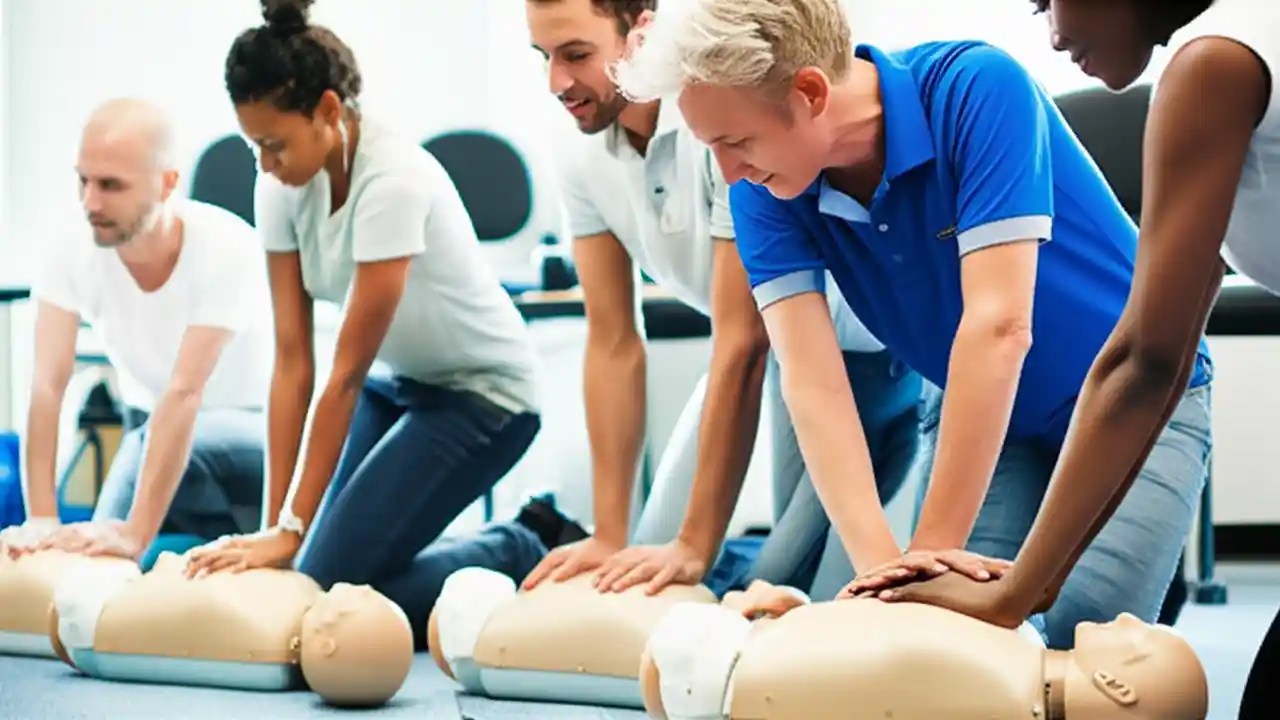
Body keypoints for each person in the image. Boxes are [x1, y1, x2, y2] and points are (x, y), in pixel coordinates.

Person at [613, 0, 1216, 649]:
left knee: (1076, 635)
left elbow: (999, 329)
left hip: (1134, 406)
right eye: (713, 149)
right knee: (959, 640)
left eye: (736, 142)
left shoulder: (975, 88)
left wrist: (926, 553)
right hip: (1000, 426)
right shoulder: (762, 188)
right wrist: (889, 579)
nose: (729, 173)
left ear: (809, 92)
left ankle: (1130, 561)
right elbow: (813, 382)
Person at [875, 0, 1277, 714]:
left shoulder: (1214, 60)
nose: (1053, 33)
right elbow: (1176, 325)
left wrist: (1021, 589)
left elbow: (1147, 365)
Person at [519, 0, 935, 602]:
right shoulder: (578, 156)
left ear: (642, 32)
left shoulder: (714, 128)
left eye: (576, 55)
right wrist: (612, 533)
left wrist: (696, 544)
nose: (558, 82)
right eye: (545, 58)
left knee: (813, 587)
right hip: (788, 347)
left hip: (866, 345)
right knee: (645, 567)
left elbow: (743, 344)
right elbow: (612, 342)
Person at [183, 0, 543, 646]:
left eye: (273, 144)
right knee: (305, 576)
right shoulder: (279, 188)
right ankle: (429, 557)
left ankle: (517, 544)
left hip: (486, 399)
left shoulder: (393, 180)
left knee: (321, 590)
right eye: (252, 144)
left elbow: (341, 376)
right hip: (400, 385)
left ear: (327, 110)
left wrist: (295, 537)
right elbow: (294, 362)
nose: (263, 163)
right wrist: (276, 529)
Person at [0, 98, 271, 563]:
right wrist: (41, 520)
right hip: (153, 434)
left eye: (110, 186)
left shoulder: (228, 250)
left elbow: (185, 392)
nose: (90, 202)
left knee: (138, 464)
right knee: (140, 446)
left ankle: (108, 561)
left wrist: (132, 534)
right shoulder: (69, 250)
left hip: (248, 439)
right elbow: (47, 385)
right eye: (82, 181)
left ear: (167, 184)